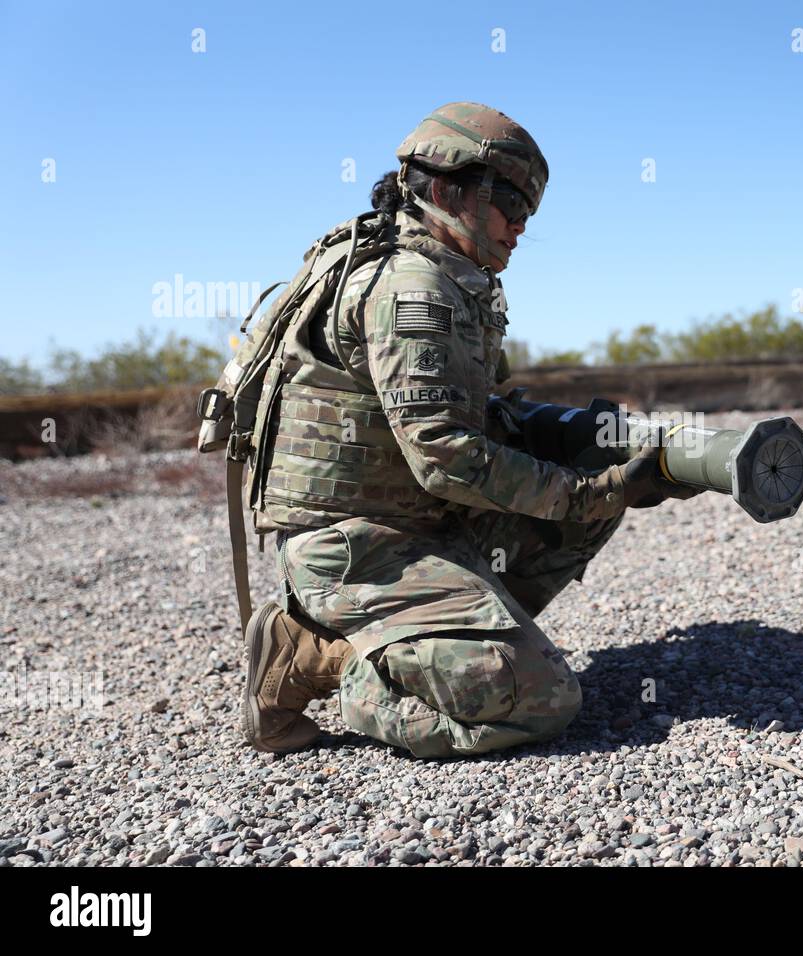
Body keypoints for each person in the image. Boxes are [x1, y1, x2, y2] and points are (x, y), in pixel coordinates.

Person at [241, 102, 699, 759]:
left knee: (585, 497)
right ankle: (323, 656)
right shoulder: (413, 290)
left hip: (417, 523)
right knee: (543, 701)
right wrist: (595, 491)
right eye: (510, 201)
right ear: (449, 189)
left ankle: (453, 645)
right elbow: (445, 457)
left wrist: (601, 457)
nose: (521, 224)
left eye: (529, 208)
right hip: (358, 548)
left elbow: (482, 420)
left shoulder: (447, 278)